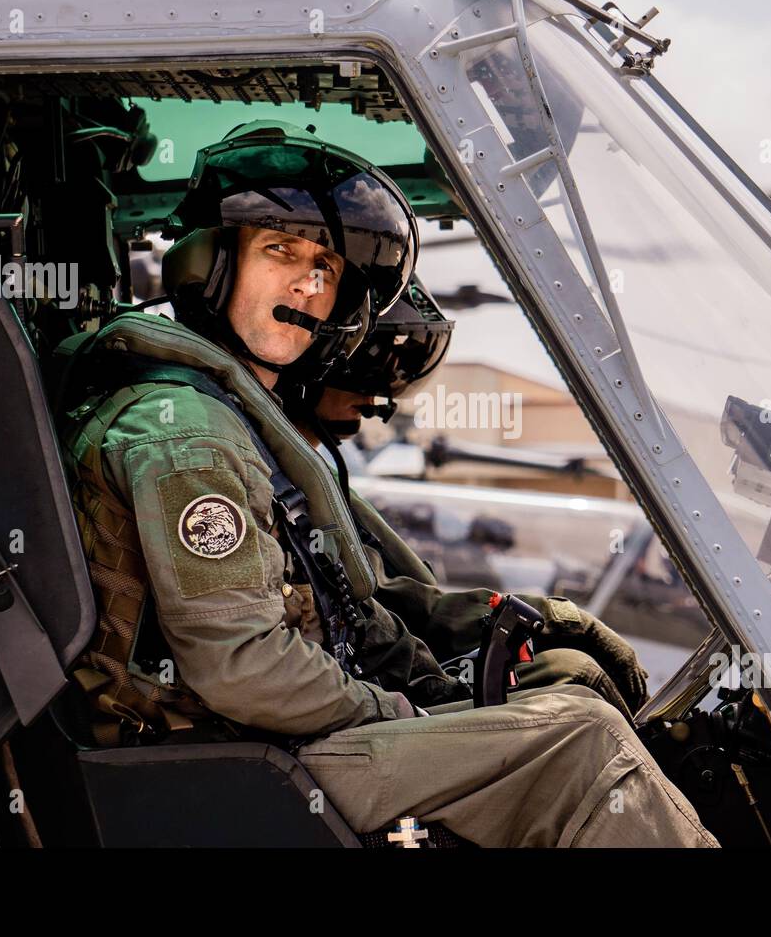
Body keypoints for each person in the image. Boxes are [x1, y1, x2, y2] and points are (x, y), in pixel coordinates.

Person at [60, 121, 717, 847]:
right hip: (234, 759)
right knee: (580, 743)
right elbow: (241, 667)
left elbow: (331, 610)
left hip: (270, 742)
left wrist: (433, 692)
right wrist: (402, 715)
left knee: (566, 702)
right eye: (282, 251)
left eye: (328, 268)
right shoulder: (188, 435)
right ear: (211, 263)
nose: (310, 283)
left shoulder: (222, 417)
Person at [278, 284, 649, 720]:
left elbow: (401, 604)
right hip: (369, 703)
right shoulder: (284, 486)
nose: (380, 389)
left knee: (580, 673)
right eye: (362, 358)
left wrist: (555, 619)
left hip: (391, 683)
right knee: (579, 680)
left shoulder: (314, 477)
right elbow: (375, 617)